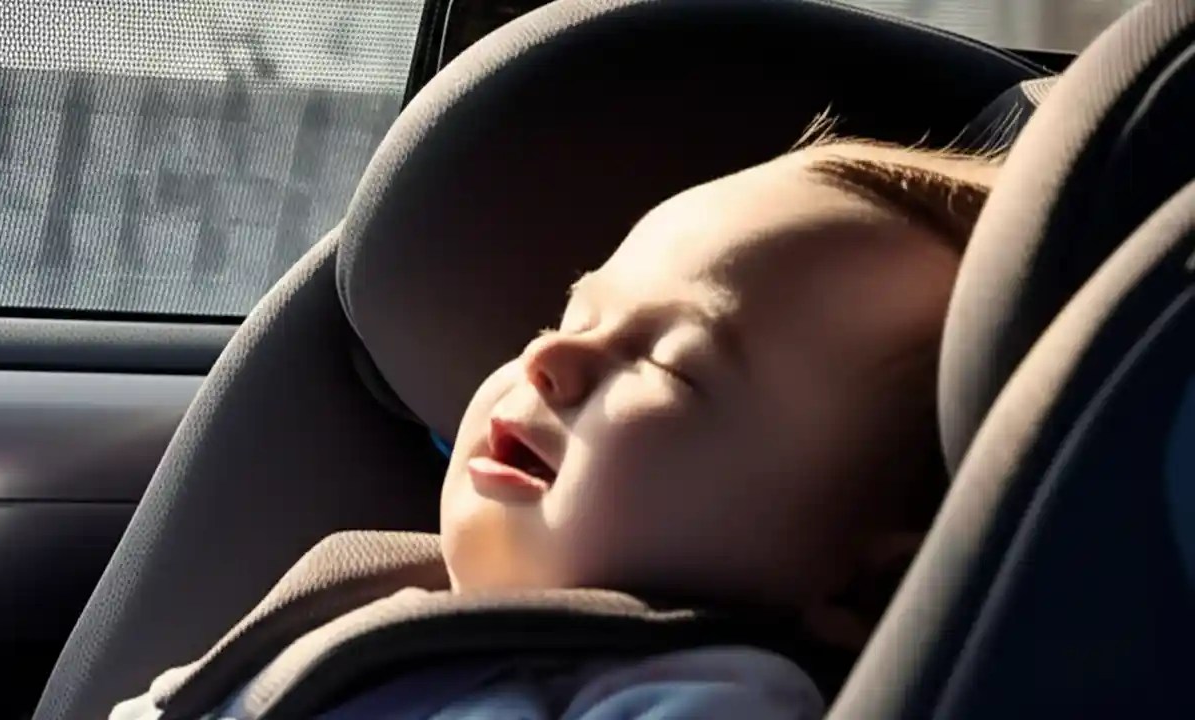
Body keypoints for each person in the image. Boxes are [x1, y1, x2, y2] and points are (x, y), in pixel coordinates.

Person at [113, 126, 1000, 719]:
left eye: (667, 364)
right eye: (573, 318)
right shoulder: (359, 602)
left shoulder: (708, 696)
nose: (548, 360)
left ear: (853, 586)